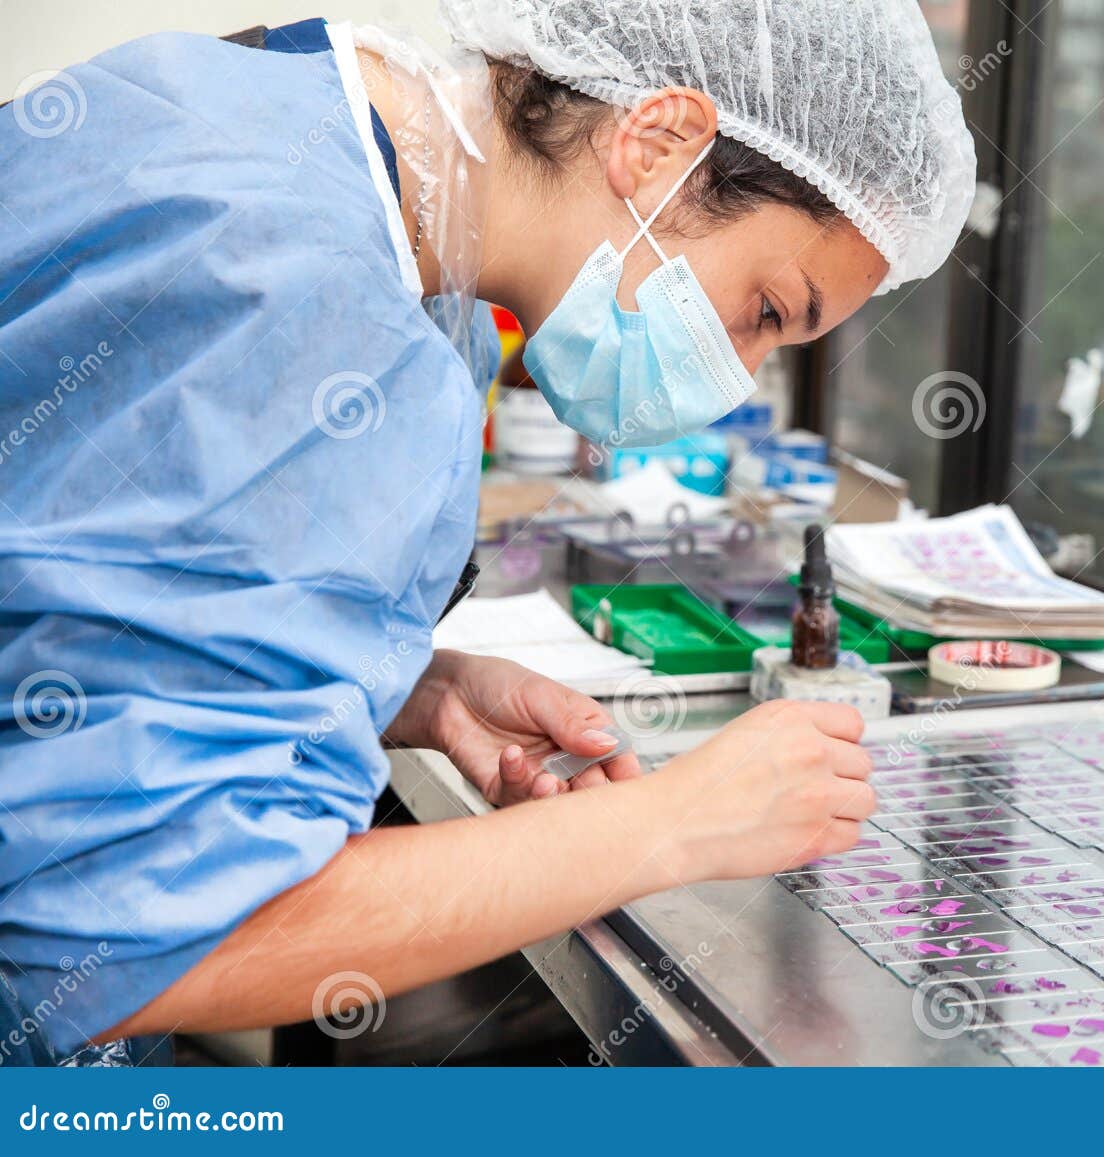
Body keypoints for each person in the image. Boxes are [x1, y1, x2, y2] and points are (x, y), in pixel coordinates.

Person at [0, 0, 975, 1064]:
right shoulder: (315, 303)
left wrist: (403, 683)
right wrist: (673, 824)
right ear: (656, 144)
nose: (737, 370)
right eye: (765, 310)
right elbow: (139, 937)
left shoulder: (269, 121)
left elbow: (69, 565)